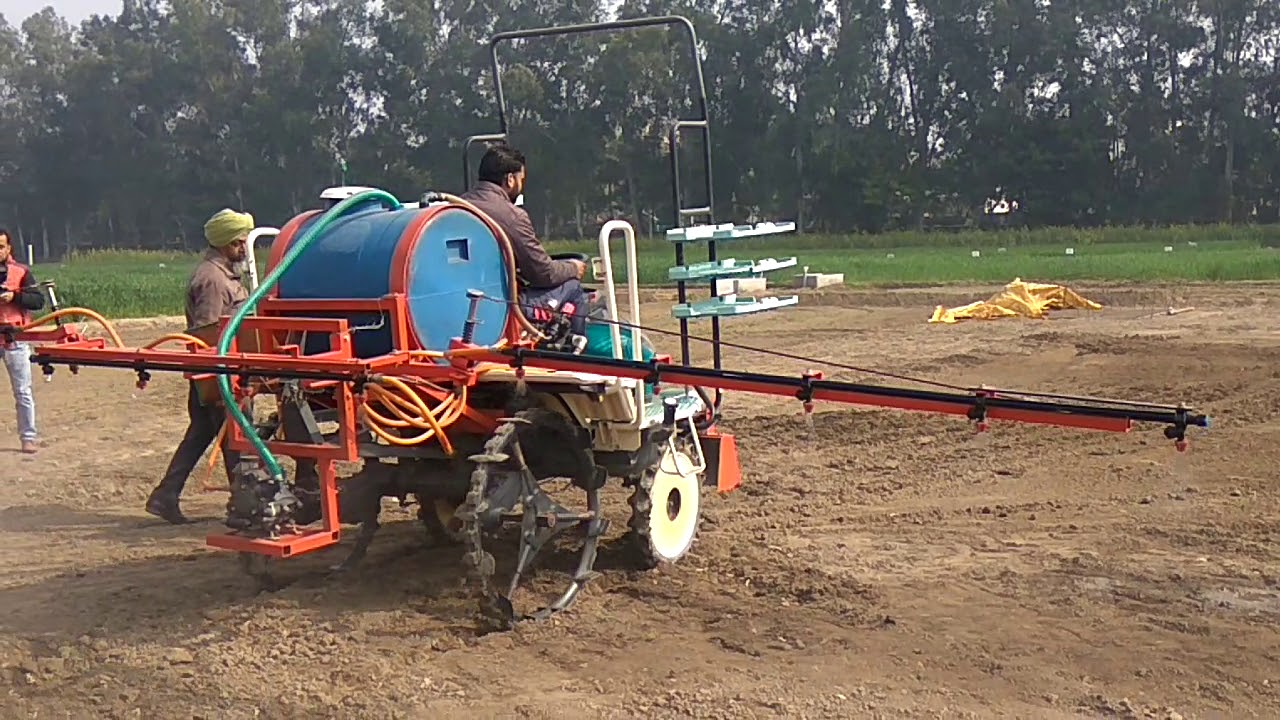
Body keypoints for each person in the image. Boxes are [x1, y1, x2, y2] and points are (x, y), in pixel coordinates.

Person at [145, 209, 253, 524]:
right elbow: (208, 333)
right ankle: (244, 508)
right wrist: (221, 382)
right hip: (217, 373)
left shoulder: (222, 274)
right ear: (226, 245)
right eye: (240, 244)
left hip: (215, 371)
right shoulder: (213, 280)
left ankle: (165, 495)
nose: (244, 249)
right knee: (236, 434)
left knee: (203, 432)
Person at [458, 143, 590, 336]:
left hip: (467, 304)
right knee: (573, 287)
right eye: (521, 179)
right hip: (506, 305)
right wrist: (573, 268)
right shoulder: (513, 216)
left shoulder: (458, 207)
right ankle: (574, 355)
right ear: (510, 179)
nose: (521, 185)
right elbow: (542, 273)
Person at [0, 228, 44, 454]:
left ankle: (28, 437)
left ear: (8, 248)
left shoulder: (21, 272)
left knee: (22, 391)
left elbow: (38, 301)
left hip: (15, 337)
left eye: (0, 247)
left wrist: (15, 296)